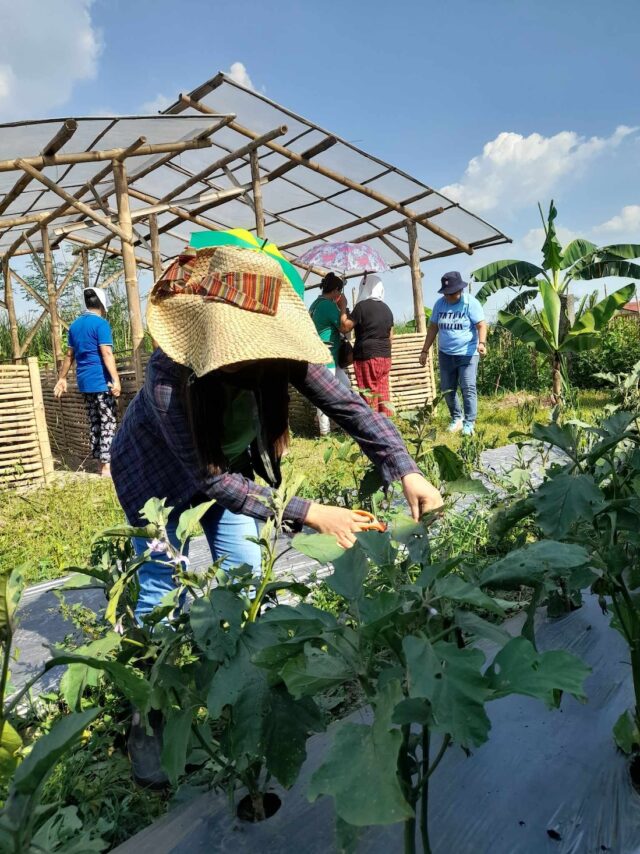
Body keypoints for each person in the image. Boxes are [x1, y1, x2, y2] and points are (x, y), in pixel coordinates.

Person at [54, 287, 121, 477]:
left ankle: (100, 465)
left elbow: (69, 355)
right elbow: (106, 353)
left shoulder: (74, 326)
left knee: (95, 422)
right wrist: (115, 380)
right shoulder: (101, 325)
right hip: (101, 381)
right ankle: (107, 467)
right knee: (108, 421)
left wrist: (62, 377)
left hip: (84, 382)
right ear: (101, 304)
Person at [419, 271, 487, 436]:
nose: (448, 296)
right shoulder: (439, 305)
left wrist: (482, 343)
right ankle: (456, 418)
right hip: (446, 354)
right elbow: (433, 328)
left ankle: (469, 423)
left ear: (459, 290)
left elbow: (481, 325)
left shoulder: (471, 303)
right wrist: (425, 350)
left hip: (467, 353)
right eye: (446, 293)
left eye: (451, 293)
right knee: (447, 389)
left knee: (468, 387)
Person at [342, 273, 394, 415]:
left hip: (367, 357)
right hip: (385, 357)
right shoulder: (387, 309)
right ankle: (386, 425)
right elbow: (390, 337)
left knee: (368, 393)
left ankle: (371, 426)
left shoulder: (361, 307)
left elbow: (346, 327)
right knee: (383, 392)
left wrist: (343, 307)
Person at [308, 272, 351, 435]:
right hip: (327, 358)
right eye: (339, 292)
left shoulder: (314, 304)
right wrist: (343, 306)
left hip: (326, 356)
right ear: (335, 291)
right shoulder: (327, 305)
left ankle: (339, 423)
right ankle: (325, 432)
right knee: (324, 394)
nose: (339, 295)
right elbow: (344, 326)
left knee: (345, 386)